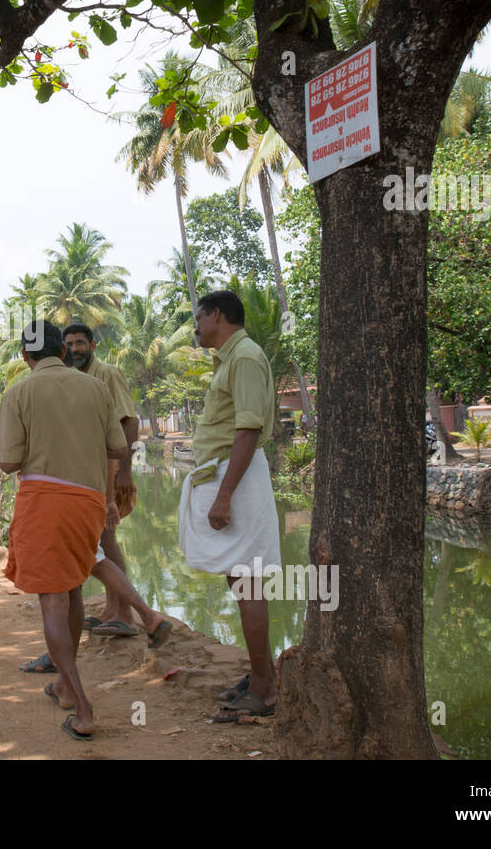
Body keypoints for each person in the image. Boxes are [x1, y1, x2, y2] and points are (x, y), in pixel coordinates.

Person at [0, 320, 126, 741]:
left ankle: (85, 708)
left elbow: (8, 462)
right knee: (71, 592)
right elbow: (116, 446)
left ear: (24, 355)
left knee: (52, 603)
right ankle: (66, 689)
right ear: (63, 349)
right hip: (88, 503)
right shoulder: (95, 388)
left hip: (45, 501)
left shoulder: (19, 391)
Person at [178, 290, 281, 721]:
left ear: (217, 315)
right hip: (228, 478)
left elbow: (248, 430)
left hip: (236, 482)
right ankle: (262, 674)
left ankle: (264, 689)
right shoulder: (231, 358)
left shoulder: (245, 358)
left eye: (199, 318)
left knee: (248, 581)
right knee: (240, 582)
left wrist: (223, 496)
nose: (196, 327)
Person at [63, 322, 143, 636]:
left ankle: (126, 613)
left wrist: (125, 471)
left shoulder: (107, 373)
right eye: (68, 343)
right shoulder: (75, 380)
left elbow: (130, 422)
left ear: (93, 346)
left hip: (108, 474)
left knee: (106, 540)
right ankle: (112, 608)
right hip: (89, 473)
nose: (74, 349)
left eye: (80, 343)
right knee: (99, 540)